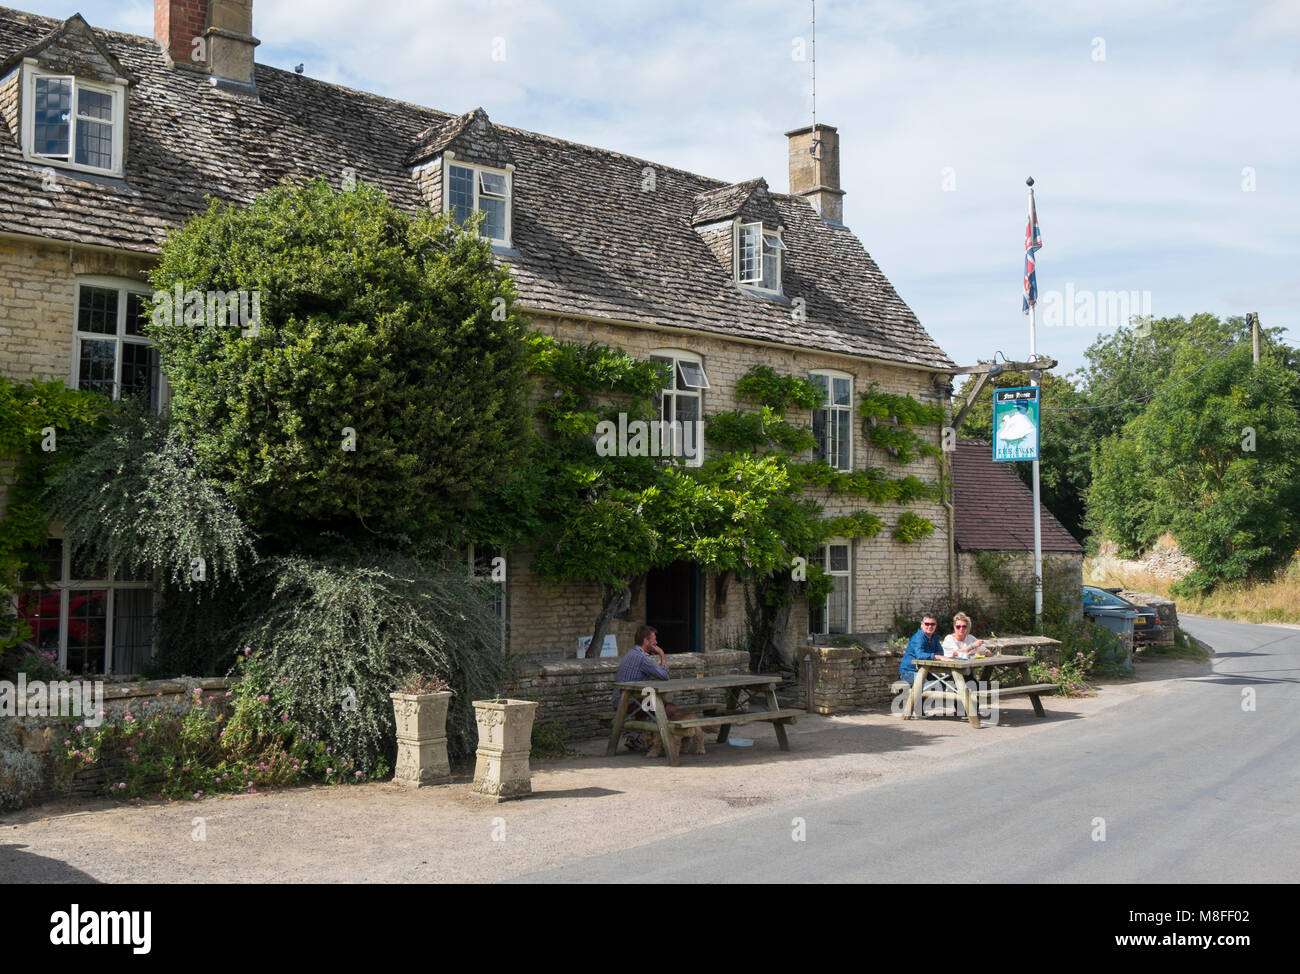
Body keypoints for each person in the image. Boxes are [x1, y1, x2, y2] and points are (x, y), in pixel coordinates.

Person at [612, 626, 701, 756]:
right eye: (654, 640)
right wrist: (662, 654)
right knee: (669, 709)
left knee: (659, 704)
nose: (656, 643)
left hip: (623, 700)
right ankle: (662, 742)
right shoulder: (642, 658)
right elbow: (664, 676)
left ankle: (636, 737)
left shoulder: (633, 653)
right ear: (646, 641)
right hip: (628, 703)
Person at [898, 612, 943, 684]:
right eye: (927, 624)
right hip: (909, 673)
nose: (930, 626)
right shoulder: (918, 637)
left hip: (925, 671)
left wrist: (936, 656)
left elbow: (940, 652)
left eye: (932, 624)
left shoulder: (934, 636)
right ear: (922, 625)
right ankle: (919, 695)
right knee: (932, 686)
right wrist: (934, 656)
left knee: (944, 684)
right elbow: (919, 655)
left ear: (936, 626)